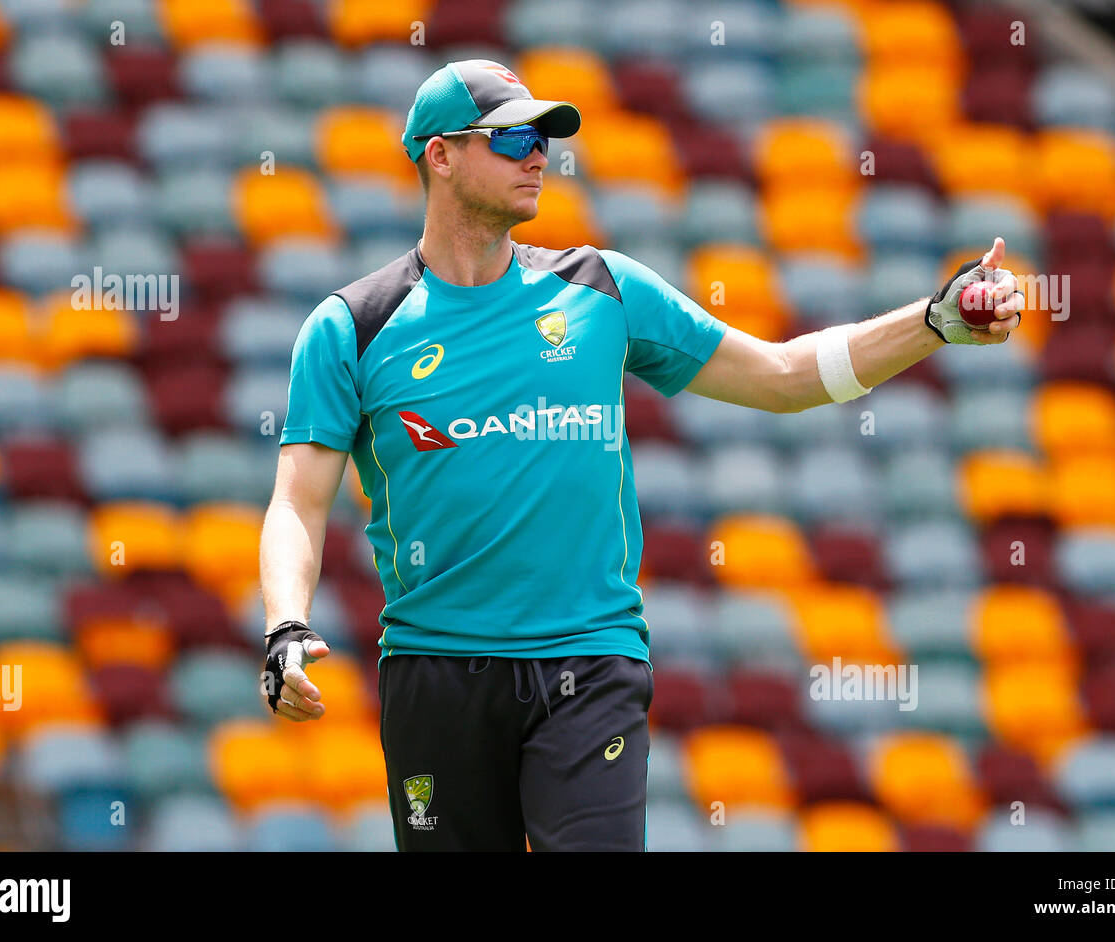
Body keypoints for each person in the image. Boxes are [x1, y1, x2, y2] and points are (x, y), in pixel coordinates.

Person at [257, 59, 1024, 852]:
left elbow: (786, 376)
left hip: (589, 666)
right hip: (435, 671)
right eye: (513, 135)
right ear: (439, 154)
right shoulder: (353, 325)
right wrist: (285, 625)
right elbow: (296, 504)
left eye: (546, 138)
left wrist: (933, 319)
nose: (537, 155)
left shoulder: (604, 290)